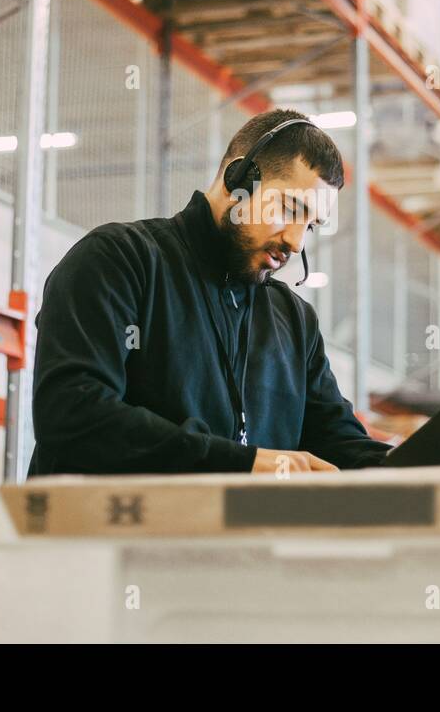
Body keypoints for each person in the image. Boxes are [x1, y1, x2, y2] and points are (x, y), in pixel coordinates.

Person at [28, 108, 392, 475]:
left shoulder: (294, 322)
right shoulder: (119, 260)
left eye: (311, 225)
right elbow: (71, 414)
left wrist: (428, 466)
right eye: (288, 208)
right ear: (239, 177)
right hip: (105, 530)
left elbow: (341, 445)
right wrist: (241, 464)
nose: (296, 242)